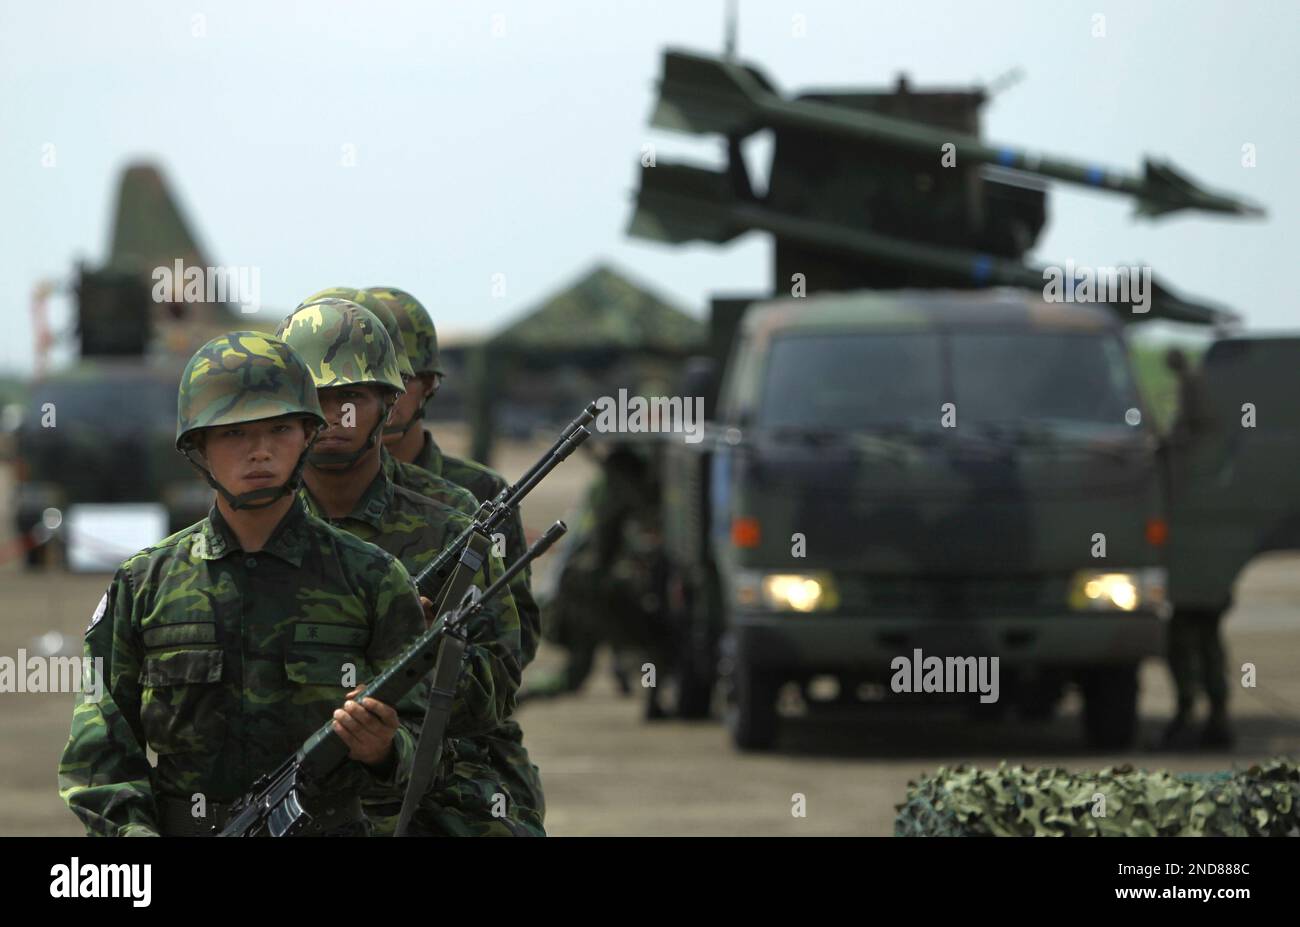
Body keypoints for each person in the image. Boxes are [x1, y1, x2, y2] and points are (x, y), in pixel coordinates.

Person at [57, 332, 426, 836]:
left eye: (278, 429)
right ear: (198, 447)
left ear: (307, 435)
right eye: (233, 432)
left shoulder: (374, 580)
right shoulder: (144, 585)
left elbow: (429, 745)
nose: (259, 451)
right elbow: (99, 745)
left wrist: (385, 751)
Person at [278, 297, 537, 835]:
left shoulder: (458, 518)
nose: (334, 414)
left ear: (391, 401)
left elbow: (501, 677)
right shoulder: (254, 521)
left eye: (351, 396)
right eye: (318, 396)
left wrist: (425, 651)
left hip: (426, 772)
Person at [366, 285, 547, 832]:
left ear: (428, 387)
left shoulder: (477, 497)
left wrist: (438, 642)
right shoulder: (299, 496)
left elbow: (515, 645)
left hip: (453, 735)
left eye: (404, 381)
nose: (388, 395)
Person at [1162, 347, 1233, 749]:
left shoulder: (1189, 463)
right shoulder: (1217, 470)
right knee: (1208, 644)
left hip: (1194, 580)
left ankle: (1192, 712)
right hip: (1206, 577)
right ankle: (1213, 715)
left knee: (1187, 643)